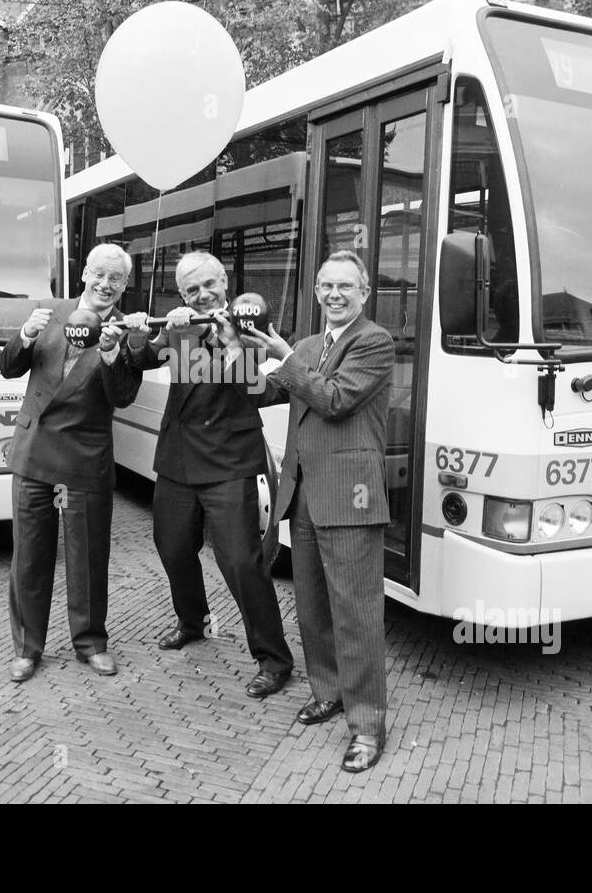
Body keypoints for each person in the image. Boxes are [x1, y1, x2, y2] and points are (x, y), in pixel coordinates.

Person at [237, 250, 395, 773]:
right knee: (312, 607)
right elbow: (264, 392)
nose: (333, 294)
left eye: (345, 286)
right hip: (303, 495)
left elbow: (333, 399)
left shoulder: (373, 342)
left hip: (350, 497)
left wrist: (284, 361)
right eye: (326, 285)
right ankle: (328, 691)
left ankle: (368, 724)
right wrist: (235, 348)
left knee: (356, 614)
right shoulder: (306, 345)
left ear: (364, 293)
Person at [120, 251, 294, 699]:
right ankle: (192, 620)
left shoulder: (249, 324)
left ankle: (274, 659)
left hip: (232, 461)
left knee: (240, 562)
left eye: (208, 285)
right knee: (172, 546)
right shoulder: (180, 326)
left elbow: (255, 390)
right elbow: (142, 361)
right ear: (180, 294)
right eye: (191, 290)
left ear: (225, 282)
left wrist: (223, 339)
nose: (202, 295)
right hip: (178, 460)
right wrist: (150, 333)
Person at [0, 244, 141, 682]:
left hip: (86, 458)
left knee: (88, 557)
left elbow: (123, 397)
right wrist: (23, 335)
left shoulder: (129, 330)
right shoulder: (47, 313)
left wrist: (115, 354)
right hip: (34, 452)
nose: (105, 284)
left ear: (124, 285)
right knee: (30, 556)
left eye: (115, 278)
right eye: (99, 274)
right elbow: (8, 369)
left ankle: (91, 643)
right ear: (84, 275)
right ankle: (27, 648)